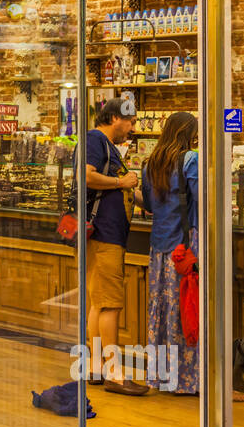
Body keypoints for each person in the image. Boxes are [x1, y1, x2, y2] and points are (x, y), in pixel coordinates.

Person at [84, 98, 146, 395]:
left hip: (103, 233)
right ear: (112, 118)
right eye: (130, 122)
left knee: (99, 302)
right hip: (105, 233)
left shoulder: (102, 143)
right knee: (110, 303)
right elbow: (87, 175)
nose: (132, 128)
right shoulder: (96, 139)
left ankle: (95, 367)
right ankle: (115, 373)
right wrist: (123, 184)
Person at [141, 111, 199, 394]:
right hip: (185, 243)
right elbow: (203, 200)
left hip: (158, 246)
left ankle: (162, 376)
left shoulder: (150, 163)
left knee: (161, 308)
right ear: (190, 133)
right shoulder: (190, 160)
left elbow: (150, 204)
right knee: (186, 307)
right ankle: (187, 380)